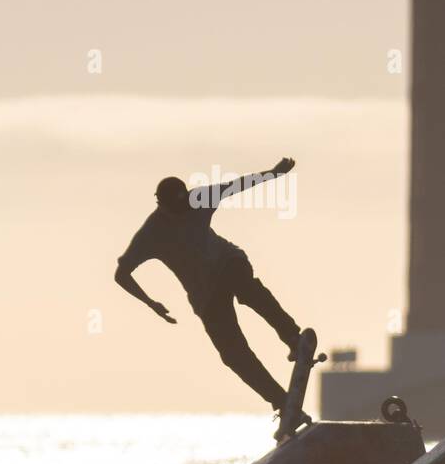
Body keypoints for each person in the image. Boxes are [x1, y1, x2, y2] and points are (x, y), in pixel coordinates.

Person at [114, 158, 308, 418]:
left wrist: (273, 174)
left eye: (187, 206)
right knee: (232, 353)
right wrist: (150, 303)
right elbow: (121, 273)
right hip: (204, 294)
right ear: (163, 206)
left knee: (248, 289)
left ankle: (291, 336)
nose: (184, 212)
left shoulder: (199, 198)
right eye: (177, 209)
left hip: (227, 263)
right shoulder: (151, 232)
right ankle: (280, 401)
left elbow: (237, 185)